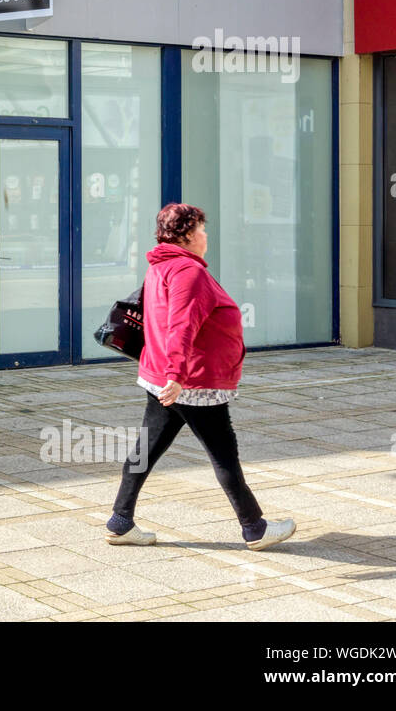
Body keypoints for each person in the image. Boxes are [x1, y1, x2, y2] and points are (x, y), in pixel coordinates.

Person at [106, 203, 295, 551]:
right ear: (189, 234)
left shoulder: (161, 267)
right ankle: (254, 527)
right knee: (223, 453)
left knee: (145, 450)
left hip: (162, 377)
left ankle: (120, 521)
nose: (207, 235)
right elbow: (180, 326)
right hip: (192, 382)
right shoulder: (187, 273)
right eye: (202, 229)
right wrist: (177, 375)